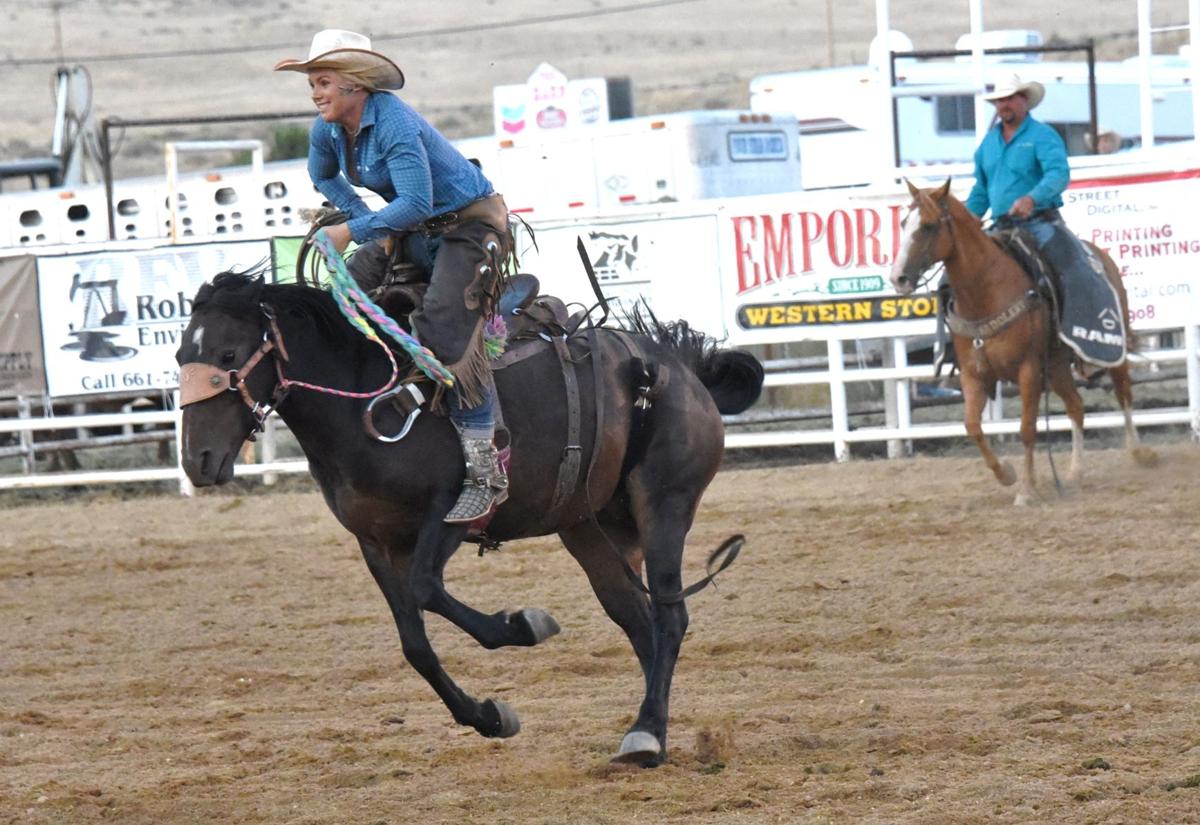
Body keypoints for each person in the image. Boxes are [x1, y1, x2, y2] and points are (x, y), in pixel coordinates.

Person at [276, 29, 512, 524]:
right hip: (412, 228)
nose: (316, 94)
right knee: (343, 302)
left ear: (355, 86)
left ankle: (485, 469)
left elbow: (419, 201)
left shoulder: (397, 126)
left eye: (323, 82)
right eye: (313, 84)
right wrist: (355, 216)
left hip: (470, 226)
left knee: (447, 329)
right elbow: (323, 176)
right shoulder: (328, 130)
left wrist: (353, 230)